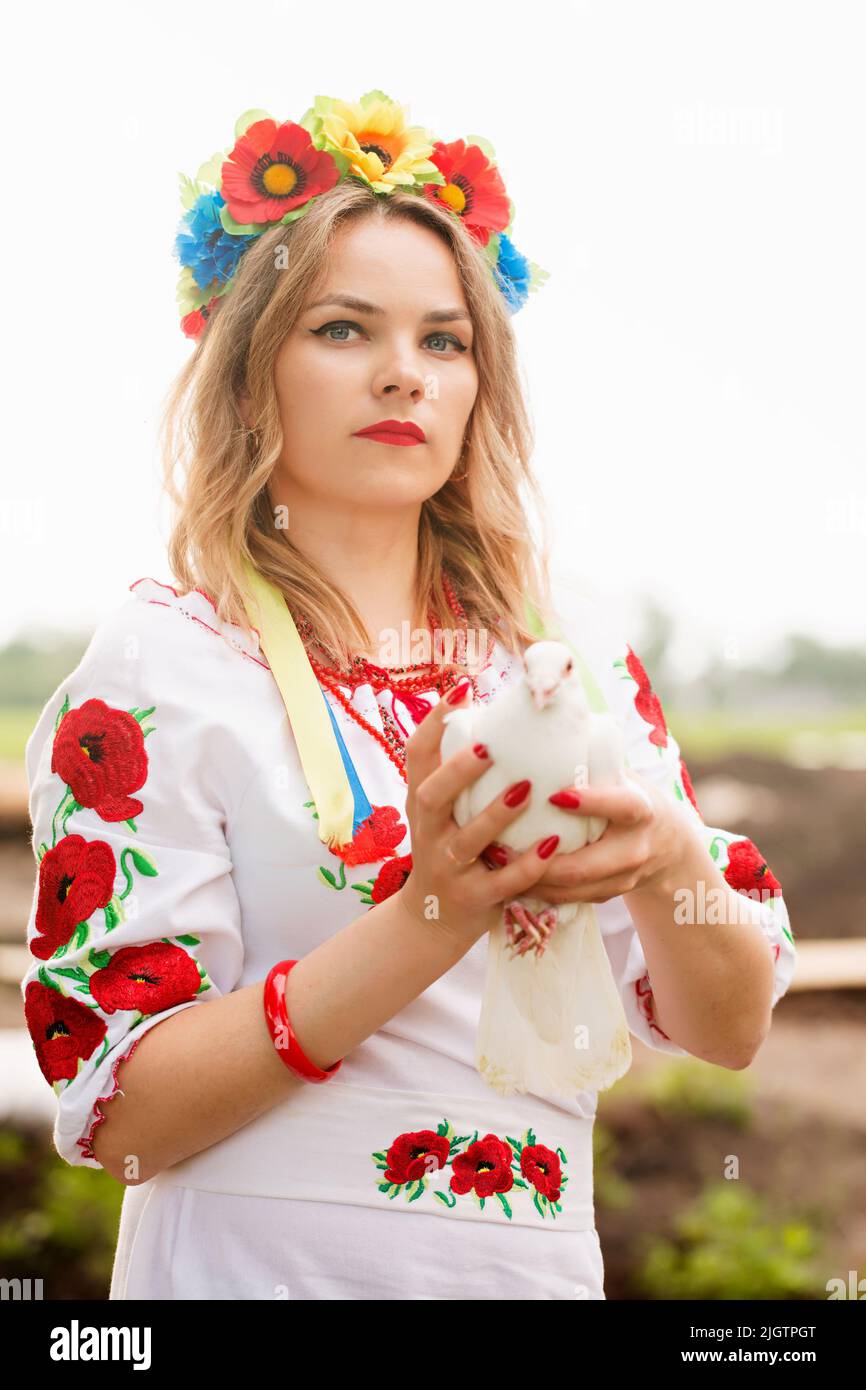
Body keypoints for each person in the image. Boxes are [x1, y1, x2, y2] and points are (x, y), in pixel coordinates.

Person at [20, 93, 796, 1301]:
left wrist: (664, 858)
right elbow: (126, 1122)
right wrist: (430, 913)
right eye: (342, 329)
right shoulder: (160, 666)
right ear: (242, 376)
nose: (403, 374)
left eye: (445, 340)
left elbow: (727, 1028)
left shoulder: (566, 661)